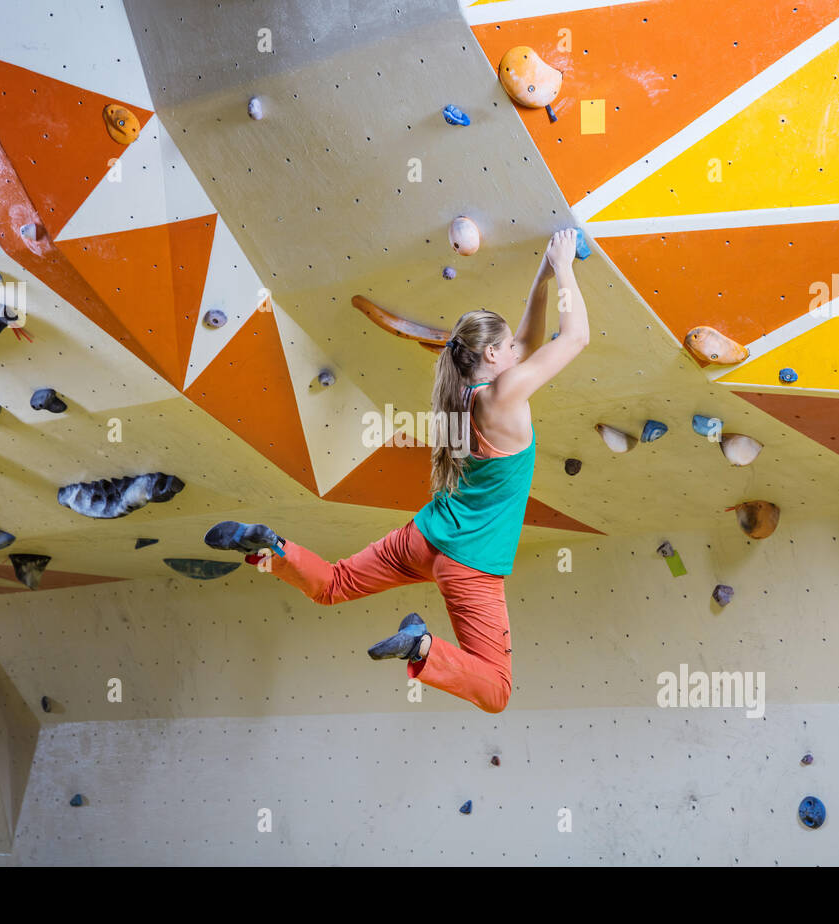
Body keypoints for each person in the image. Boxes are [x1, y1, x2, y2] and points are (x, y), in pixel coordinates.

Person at [205, 229, 590, 713]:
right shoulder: (503, 398)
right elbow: (575, 337)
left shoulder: (457, 403)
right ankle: (422, 648)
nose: (517, 348)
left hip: (423, 540)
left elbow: (529, 343)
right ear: (492, 356)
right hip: (470, 565)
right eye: (507, 344)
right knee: (496, 691)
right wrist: (567, 271)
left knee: (332, 585)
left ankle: (272, 548)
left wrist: (546, 270)